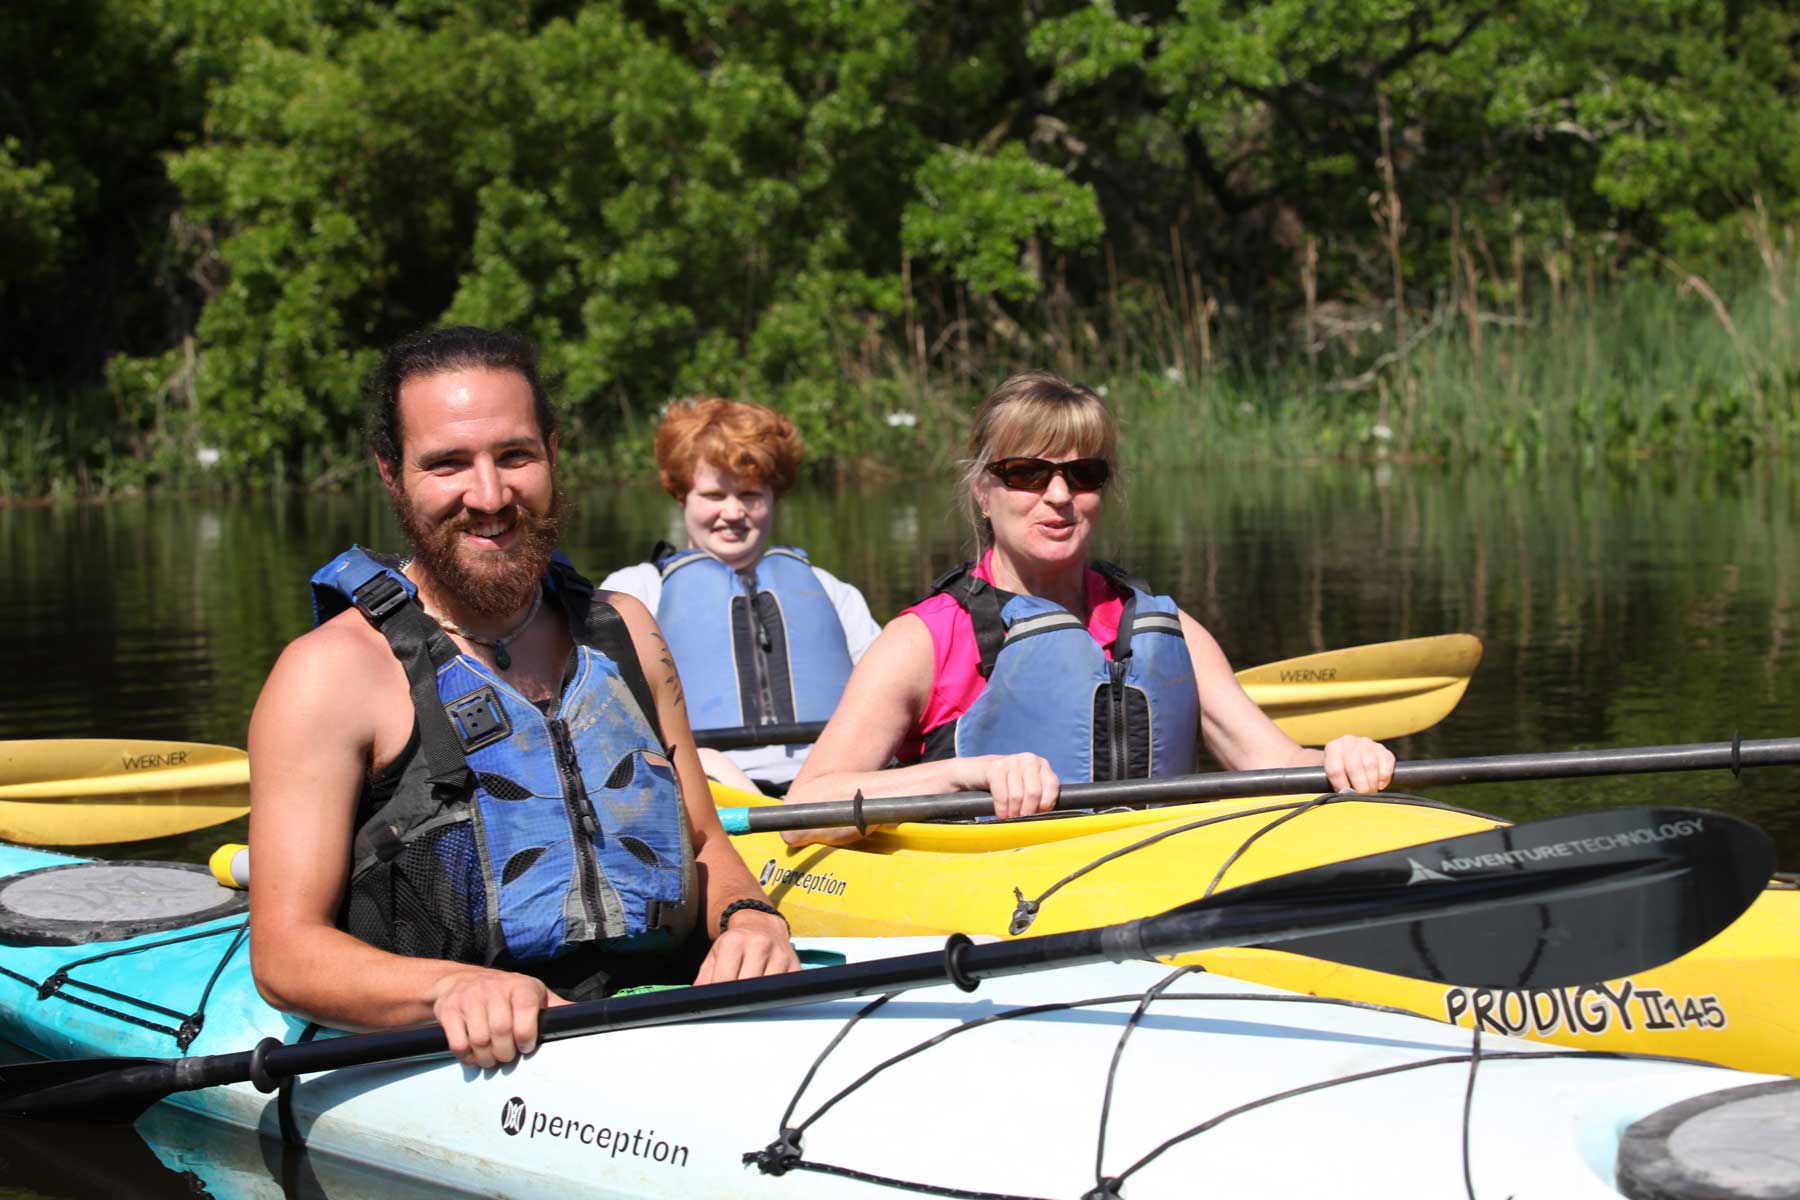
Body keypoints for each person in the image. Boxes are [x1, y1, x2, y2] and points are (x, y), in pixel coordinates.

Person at [247, 327, 799, 1071]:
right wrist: (450, 989)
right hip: (468, 1050)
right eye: (448, 464)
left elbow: (704, 843)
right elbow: (285, 954)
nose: (490, 495)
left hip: (669, 1011)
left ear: (552, 451)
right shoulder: (330, 674)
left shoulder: (625, 631)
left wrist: (749, 916)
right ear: (391, 473)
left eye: (514, 455)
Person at [785, 370, 1395, 842]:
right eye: (1027, 473)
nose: (1058, 497)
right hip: (994, 904)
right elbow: (803, 811)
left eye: (1083, 474)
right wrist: (961, 775)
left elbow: (1273, 763)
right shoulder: (923, 641)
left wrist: (1338, 759)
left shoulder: (1165, 626)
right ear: (982, 491)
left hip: (1155, 877)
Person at [599, 398, 881, 794]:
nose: (733, 513)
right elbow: (605, 720)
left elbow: (884, 705)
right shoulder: (634, 591)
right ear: (682, 495)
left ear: (773, 497)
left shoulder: (832, 591)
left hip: (830, 789)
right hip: (704, 790)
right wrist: (712, 768)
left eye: (750, 495)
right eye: (714, 495)